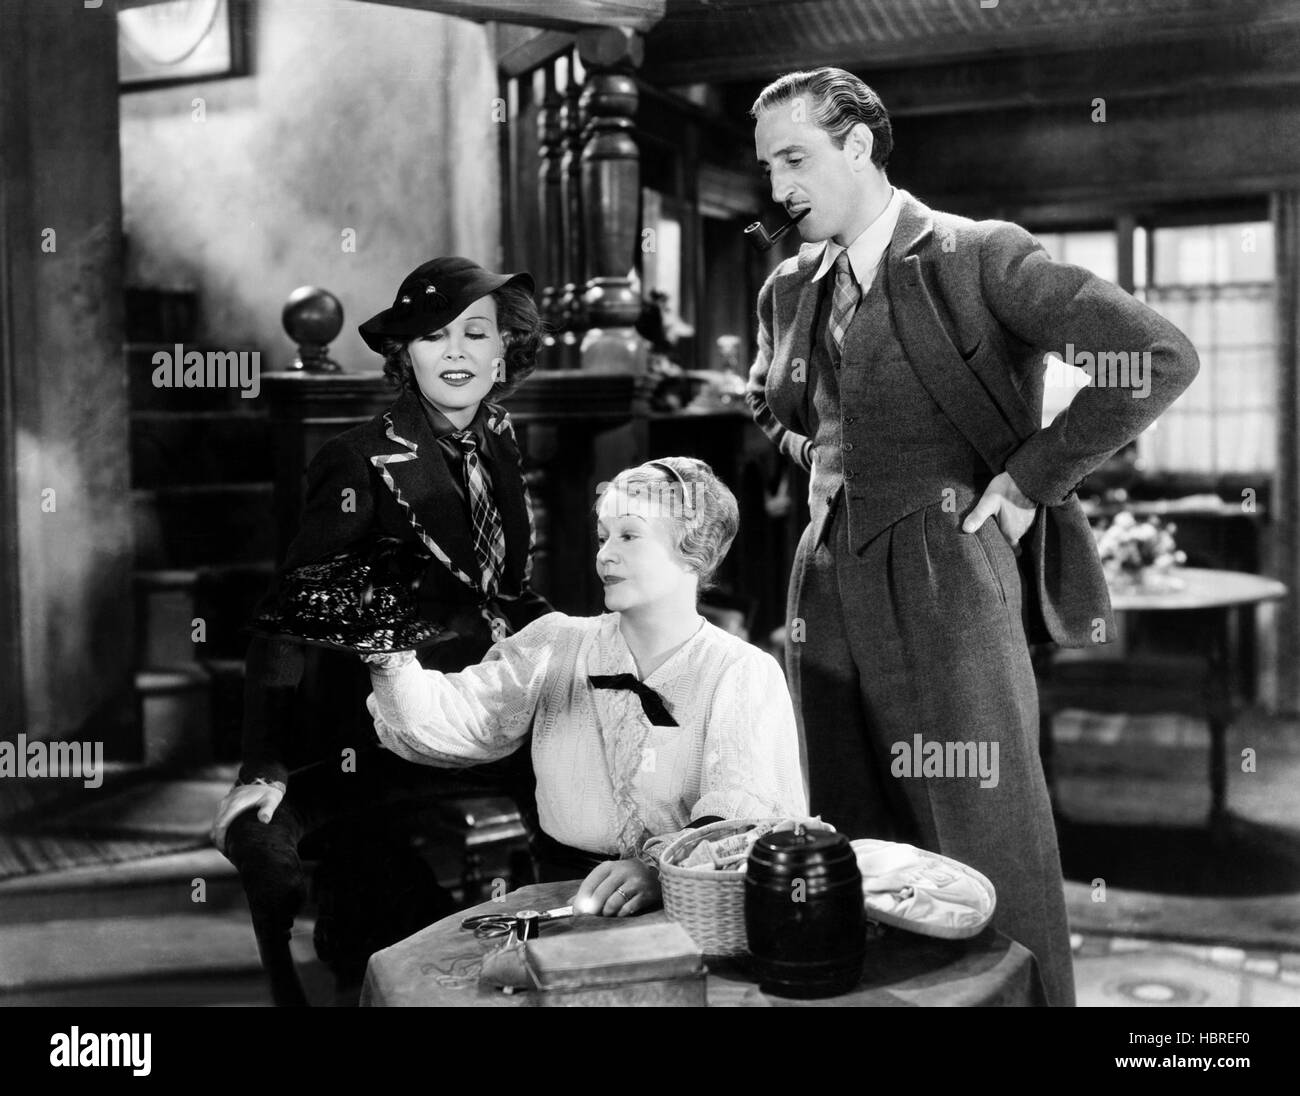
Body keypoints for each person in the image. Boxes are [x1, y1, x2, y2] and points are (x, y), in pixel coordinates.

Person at [746, 68, 1199, 1007]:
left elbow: (1155, 356)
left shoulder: (977, 256)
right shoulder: (790, 284)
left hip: (948, 572)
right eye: (768, 165)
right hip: (821, 582)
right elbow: (769, 400)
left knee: (984, 834)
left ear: (859, 146)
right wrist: (815, 456)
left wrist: (1032, 478)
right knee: (849, 838)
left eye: (796, 158)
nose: (779, 186)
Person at [210, 256, 553, 1005]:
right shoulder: (357, 461)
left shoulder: (495, 438)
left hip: (479, 707)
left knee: (587, 821)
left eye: (475, 334)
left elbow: (502, 591)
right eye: (434, 338)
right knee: (406, 955)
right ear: (406, 355)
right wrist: (263, 765)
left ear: (505, 351)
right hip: (372, 732)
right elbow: (288, 623)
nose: (457, 354)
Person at [365, 457, 808, 916]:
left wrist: (658, 868)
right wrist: (387, 654)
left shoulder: (739, 671)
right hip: (561, 894)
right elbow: (449, 719)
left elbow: (743, 813)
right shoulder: (556, 642)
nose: (605, 554)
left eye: (629, 536)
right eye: (603, 537)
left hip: (689, 901)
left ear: (693, 549)